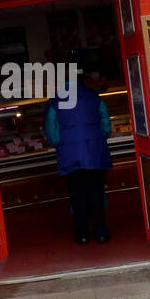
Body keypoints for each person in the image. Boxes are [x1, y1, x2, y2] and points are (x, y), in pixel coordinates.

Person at [44, 65, 113, 244]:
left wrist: (61, 144)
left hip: (70, 155)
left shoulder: (55, 101)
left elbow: (51, 132)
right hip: (95, 152)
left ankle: (82, 234)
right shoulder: (94, 97)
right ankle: (101, 232)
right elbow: (106, 126)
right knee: (97, 191)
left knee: (77, 194)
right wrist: (97, 138)